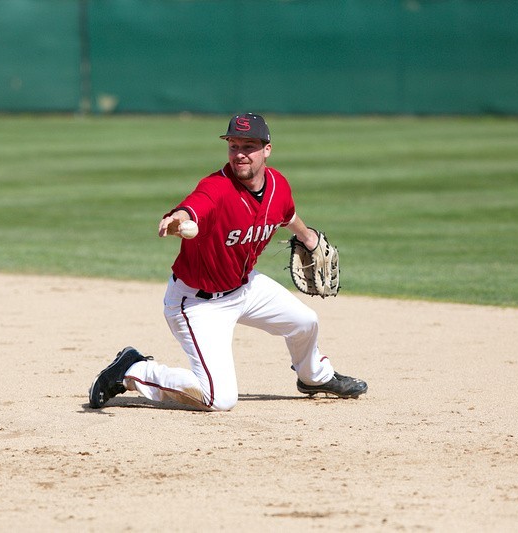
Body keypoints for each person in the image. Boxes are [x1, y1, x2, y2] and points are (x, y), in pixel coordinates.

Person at [88, 113, 367, 411]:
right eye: (233, 146)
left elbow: (287, 216)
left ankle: (314, 376)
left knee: (305, 322)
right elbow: (194, 206)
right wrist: (176, 219)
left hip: (246, 287)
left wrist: (308, 238)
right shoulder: (216, 188)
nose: (240, 154)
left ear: (267, 149)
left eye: (249, 146)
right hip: (198, 304)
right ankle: (133, 370)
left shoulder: (278, 185)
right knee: (218, 399)